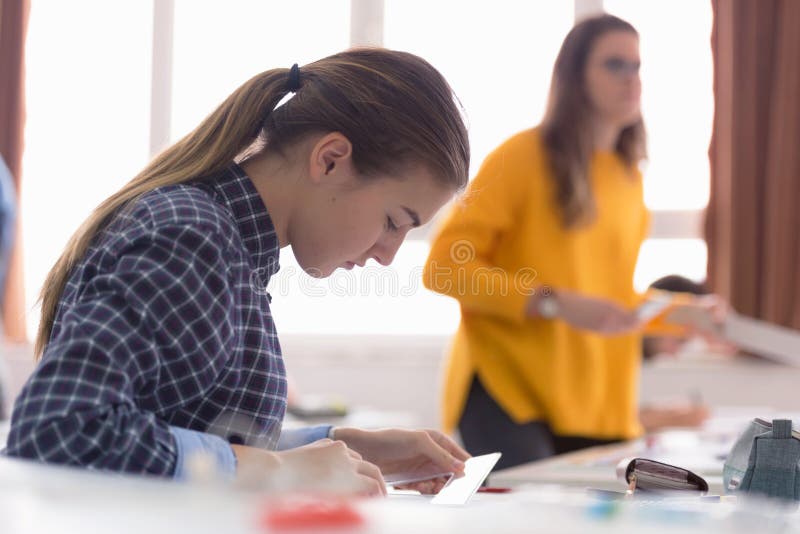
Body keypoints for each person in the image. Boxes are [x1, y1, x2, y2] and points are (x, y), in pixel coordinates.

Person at [5, 48, 471, 496]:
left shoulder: (231, 245)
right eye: (393, 222)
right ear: (329, 159)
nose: (388, 256)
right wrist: (275, 470)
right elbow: (58, 428)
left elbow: (183, 428)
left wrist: (343, 447)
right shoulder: (191, 237)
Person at [423, 15, 720, 470]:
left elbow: (610, 300)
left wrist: (680, 315)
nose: (631, 79)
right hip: (509, 389)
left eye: (637, 66)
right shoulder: (521, 157)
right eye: (615, 65)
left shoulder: (627, 179)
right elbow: (443, 268)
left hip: (590, 399)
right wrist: (551, 303)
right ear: (575, 76)